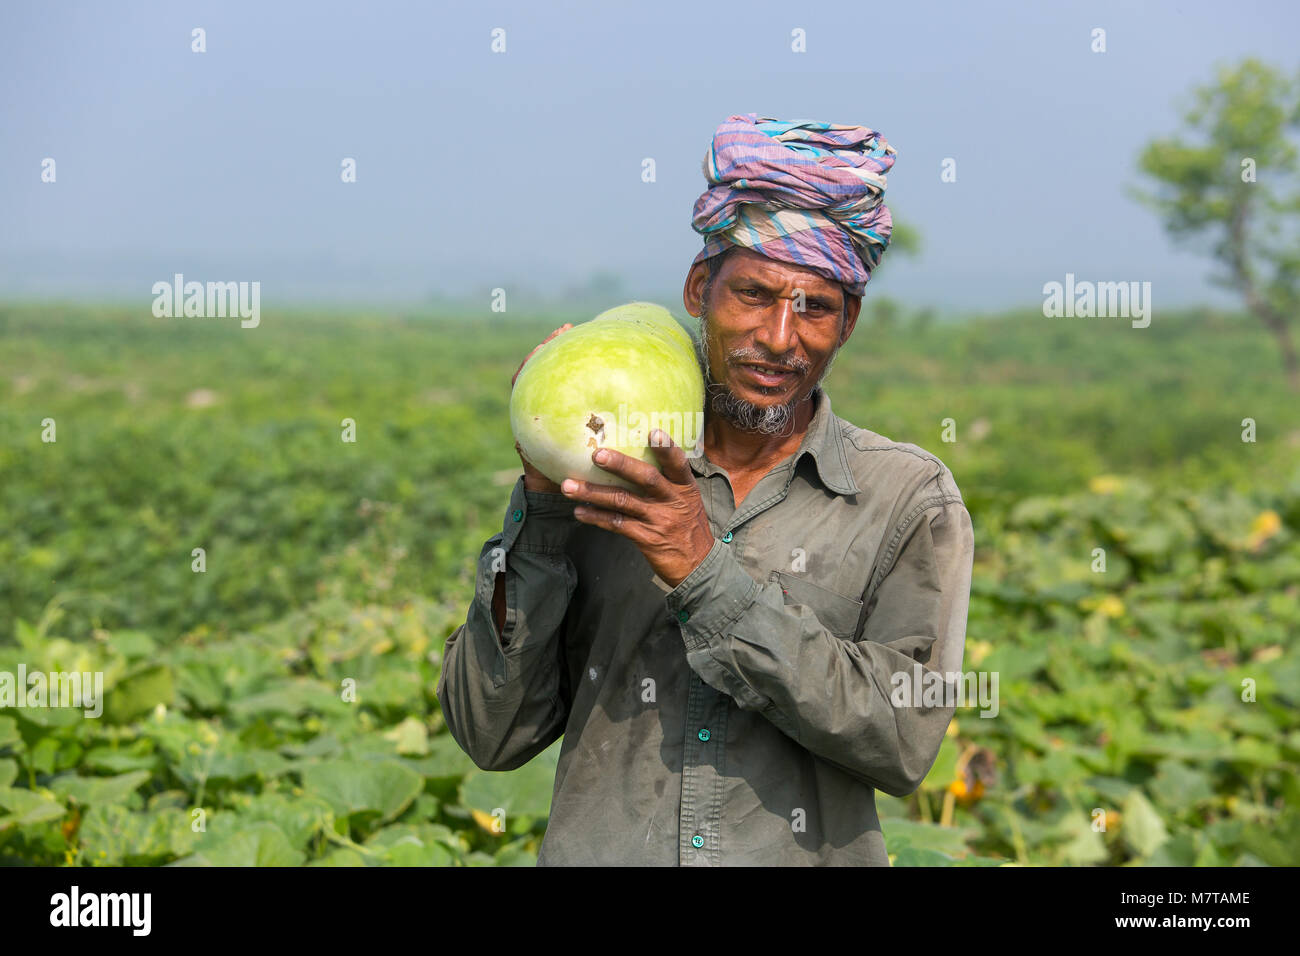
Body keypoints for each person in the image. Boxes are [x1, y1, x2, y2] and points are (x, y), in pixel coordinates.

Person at [437, 113, 975, 865]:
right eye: (753, 294)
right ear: (699, 289)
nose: (781, 337)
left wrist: (702, 571)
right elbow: (491, 736)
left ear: (848, 322)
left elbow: (903, 740)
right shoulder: (603, 480)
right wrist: (544, 506)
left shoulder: (906, 499)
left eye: (815, 306)